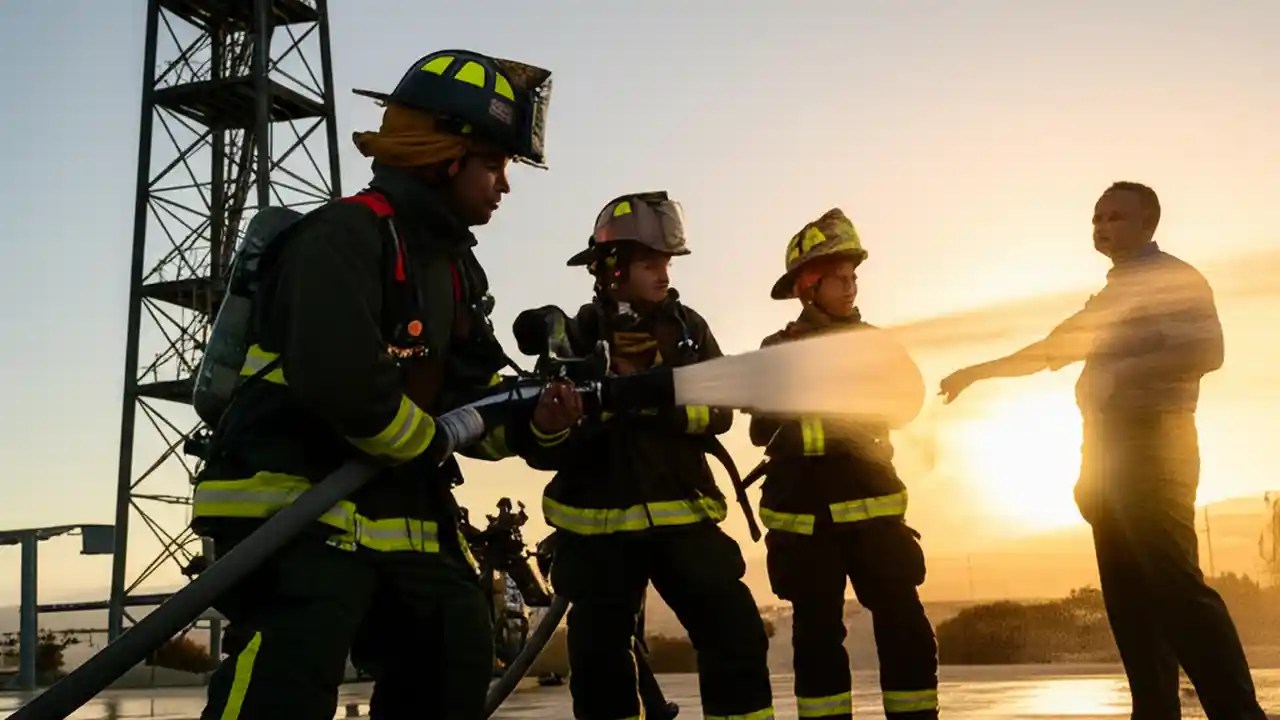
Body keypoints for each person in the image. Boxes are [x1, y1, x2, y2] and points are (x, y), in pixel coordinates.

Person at [190, 49, 581, 720]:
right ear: (446, 156)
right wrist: (429, 439)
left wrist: (541, 422)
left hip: (398, 517)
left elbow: (472, 396)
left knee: (455, 649)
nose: (504, 186)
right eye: (495, 165)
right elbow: (339, 380)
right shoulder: (343, 234)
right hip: (292, 507)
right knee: (291, 670)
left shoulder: (454, 270)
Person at [939, 182, 1266, 720]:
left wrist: (1121, 375)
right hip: (1105, 455)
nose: (1102, 225)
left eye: (1115, 216)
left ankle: (1237, 712)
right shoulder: (1115, 293)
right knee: (1129, 600)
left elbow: (1210, 350)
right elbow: (1052, 349)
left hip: (1154, 445)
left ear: (1147, 225)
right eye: (1096, 217)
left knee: (1175, 587)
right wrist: (979, 372)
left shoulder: (1173, 279)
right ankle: (1154, 711)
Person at [507, 191, 776, 720]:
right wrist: (575, 413)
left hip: (684, 516)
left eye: (667, 262)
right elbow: (549, 441)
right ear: (613, 269)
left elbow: (720, 410)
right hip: (597, 530)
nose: (663, 274)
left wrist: (653, 401)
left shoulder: (690, 331)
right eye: (650, 262)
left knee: (736, 635)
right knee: (600, 663)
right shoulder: (577, 335)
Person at [747, 209, 939, 719]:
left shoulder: (875, 343)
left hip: (874, 510)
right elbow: (759, 426)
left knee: (905, 626)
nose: (852, 287)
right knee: (816, 636)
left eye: (855, 277)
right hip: (804, 518)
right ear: (809, 285)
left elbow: (909, 402)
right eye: (840, 278)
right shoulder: (778, 349)